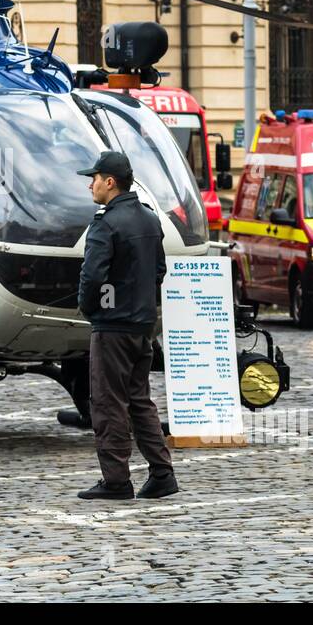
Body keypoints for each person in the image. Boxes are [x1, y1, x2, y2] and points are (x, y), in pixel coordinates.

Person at [75, 150, 179, 500]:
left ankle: (117, 481)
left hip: (113, 327)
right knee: (139, 401)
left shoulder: (105, 223)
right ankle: (162, 474)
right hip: (143, 325)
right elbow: (159, 271)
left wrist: (93, 308)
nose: (90, 184)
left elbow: (93, 277)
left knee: (108, 402)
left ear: (110, 182)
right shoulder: (150, 219)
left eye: (94, 178)